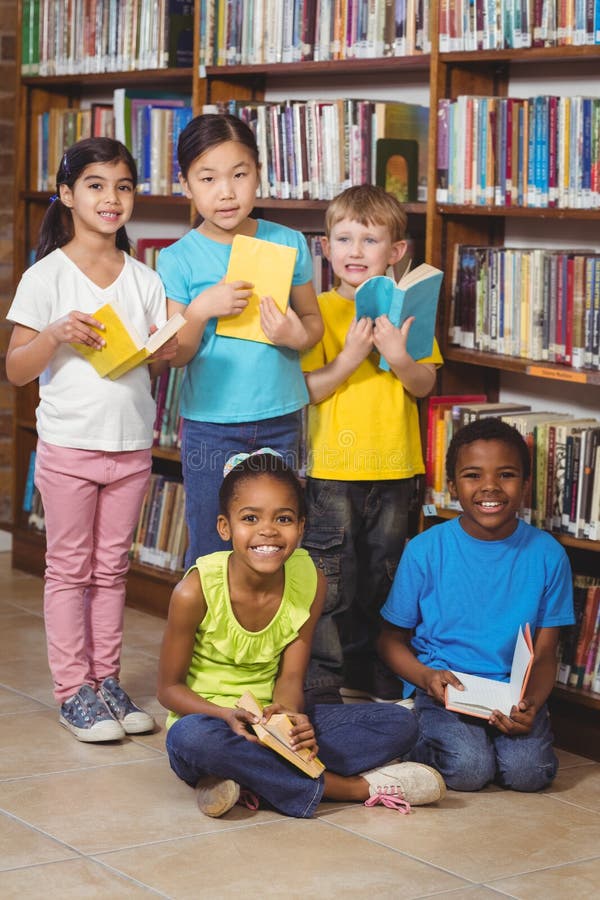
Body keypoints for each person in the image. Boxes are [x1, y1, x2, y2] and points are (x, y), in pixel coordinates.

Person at [158, 451, 446, 818]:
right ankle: (346, 788)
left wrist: (292, 718)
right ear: (224, 527)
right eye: (250, 518)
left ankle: (244, 779)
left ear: (302, 526)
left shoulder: (311, 580)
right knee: (190, 739)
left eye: (284, 518)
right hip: (210, 724)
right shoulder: (194, 591)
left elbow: (292, 676)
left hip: (272, 725)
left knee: (401, 723)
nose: (268, 530)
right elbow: (169, 691)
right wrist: (225, 715)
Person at [6, 138, 178, 742]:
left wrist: (170, 344)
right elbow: (17, 369)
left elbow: (155, 363)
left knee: (112, 571)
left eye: (123, 186)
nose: (112, 198)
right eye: (97, 185)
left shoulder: (144, 279)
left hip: (131, 448)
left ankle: (105, 680)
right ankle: (71, 690)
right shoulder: (45, 276)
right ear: (67, 194)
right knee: (68, 570)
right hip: (69, 449)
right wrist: (54, 334)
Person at [156, 113, 323, 565]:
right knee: (211, 543)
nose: (226, 192)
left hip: (281, 418)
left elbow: (313, 323)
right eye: (208, 178)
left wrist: (295, 333)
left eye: (239, 175)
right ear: (187, 186)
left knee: (278, 544)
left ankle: (270, 635)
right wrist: (200, 309)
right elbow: (177, 354)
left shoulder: (288, 242)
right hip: (211, 424)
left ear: (258, 175)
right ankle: (211, 637)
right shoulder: (177, 259)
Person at [300, 184, 443, 705]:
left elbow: (423, 384)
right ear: (325, 247)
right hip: (331, 470)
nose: (355, 251)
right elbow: (306, 390)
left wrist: (396, 352)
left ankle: (381, 676)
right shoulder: (315, 312)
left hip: (394, 469)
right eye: (343, 239)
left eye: (370, 239)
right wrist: (350, 357)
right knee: (331, 580)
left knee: (386, 579)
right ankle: (322, 682)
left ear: (397, 251)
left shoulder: (410, 310)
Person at [378, 417, 575, 792]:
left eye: (506, 475)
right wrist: (425, 678)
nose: (490, 487)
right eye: (473, 475)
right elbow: (389, 640)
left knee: (529, 774)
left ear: (526, 485)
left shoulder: (548, 555)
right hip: (446, 690)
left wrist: (531, 703)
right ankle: (413, 734)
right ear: (452, 486)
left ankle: (489, 743)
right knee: (469, 770)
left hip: (512, 694)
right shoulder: (425, 550)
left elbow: (547, 652)